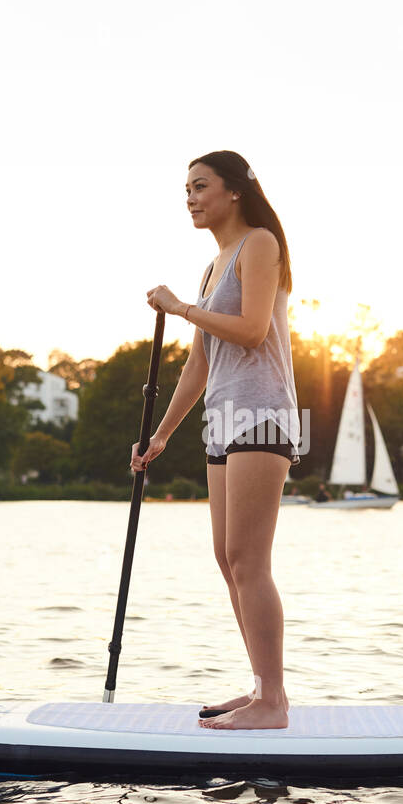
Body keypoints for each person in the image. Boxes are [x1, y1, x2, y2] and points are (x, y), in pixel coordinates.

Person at [133, 151, 300, 731]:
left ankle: (274, 703)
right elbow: (199, 363)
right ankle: (260, 689)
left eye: (201, 186)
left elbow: (253, 331)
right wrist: (159, 438)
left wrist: (180, 308)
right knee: (228, 561)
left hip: (262, 413)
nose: (191, 197)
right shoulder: (213, 265)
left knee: (250, 560)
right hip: (221, 419)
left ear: (234, 191)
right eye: (186, 189)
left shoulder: (259, 244)